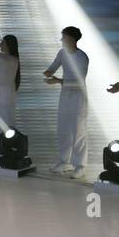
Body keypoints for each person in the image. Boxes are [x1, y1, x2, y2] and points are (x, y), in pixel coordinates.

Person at [44, 26, 90, 177]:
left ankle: (80, 165)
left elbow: (79, 83)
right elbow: (54, 66)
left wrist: (58, 80)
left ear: (71, 39)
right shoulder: (62, 53)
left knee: (78, 132)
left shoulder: (82, 57)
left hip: (78, 98)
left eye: (63, 37)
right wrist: (49, 72)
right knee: (63, 129)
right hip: (65, 97)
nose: (61, 40)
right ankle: (65, 162)